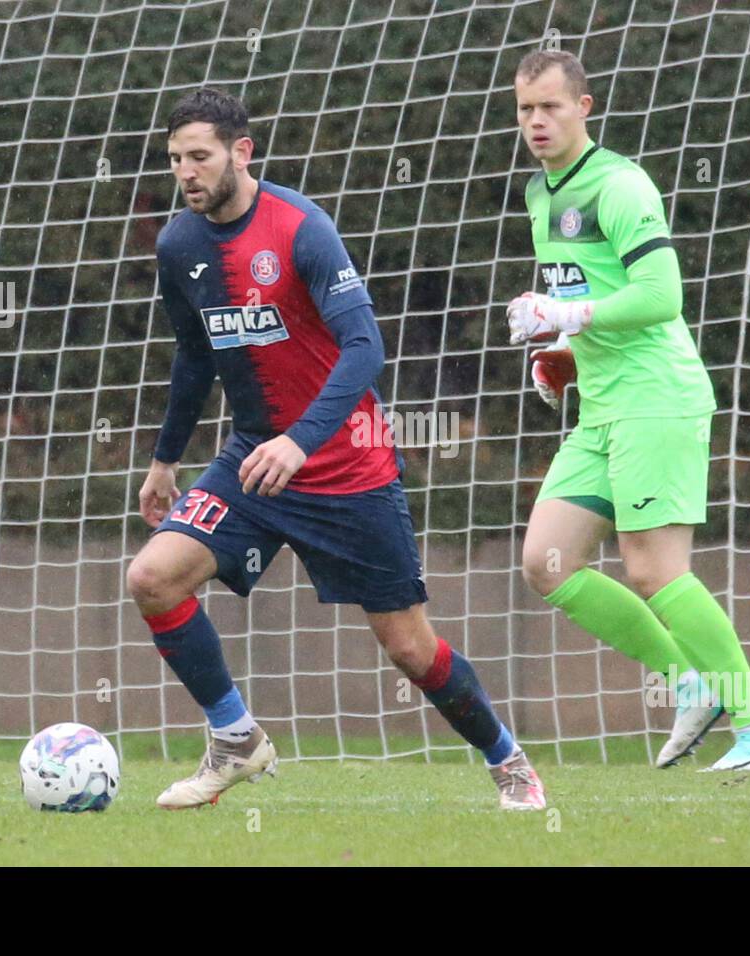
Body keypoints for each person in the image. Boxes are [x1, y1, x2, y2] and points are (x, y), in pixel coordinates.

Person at [125, 88, 547, 810]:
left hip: (349, 465)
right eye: (175, 160)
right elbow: (194, 356)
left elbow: (365, 348)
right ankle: (236, 740)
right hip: (256, 461)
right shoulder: (179, 247)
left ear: (241, 152)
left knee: (411, 650)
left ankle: (508, 761)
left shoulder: (301, 228)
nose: (186, 172)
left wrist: (301, 440)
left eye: (200, 156)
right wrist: (165, 458)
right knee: (153, 578)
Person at [508, 51, 750, 771]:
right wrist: (565, 351)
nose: (537, 121)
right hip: (604, 407)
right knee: (547, 562)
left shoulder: (620, 184)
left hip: (657, 402)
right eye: (525, 110)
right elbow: (604, 301)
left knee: (655, 571)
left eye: (551, 106)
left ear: (585, 107)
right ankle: (691, 682)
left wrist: (566, 312)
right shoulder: (539, 195)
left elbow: (662, 296)